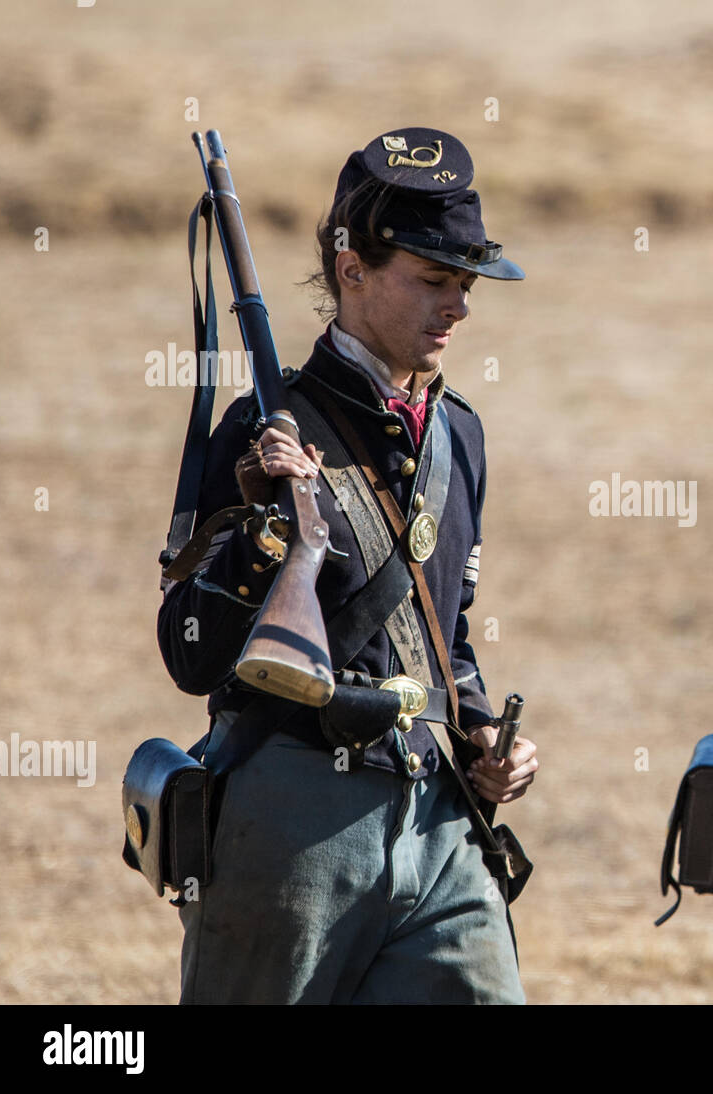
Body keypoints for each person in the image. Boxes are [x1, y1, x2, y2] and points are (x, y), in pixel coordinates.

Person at [157, 126, 537, 1004]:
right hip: (292, 813)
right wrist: (262, 526)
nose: (459, 308)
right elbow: (191, 653)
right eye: (434, 280)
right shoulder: (262, 426)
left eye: (466, 285)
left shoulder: (459, 432)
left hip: (436, 813)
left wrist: (478, 726)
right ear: (351, 267)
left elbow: (448, 625)